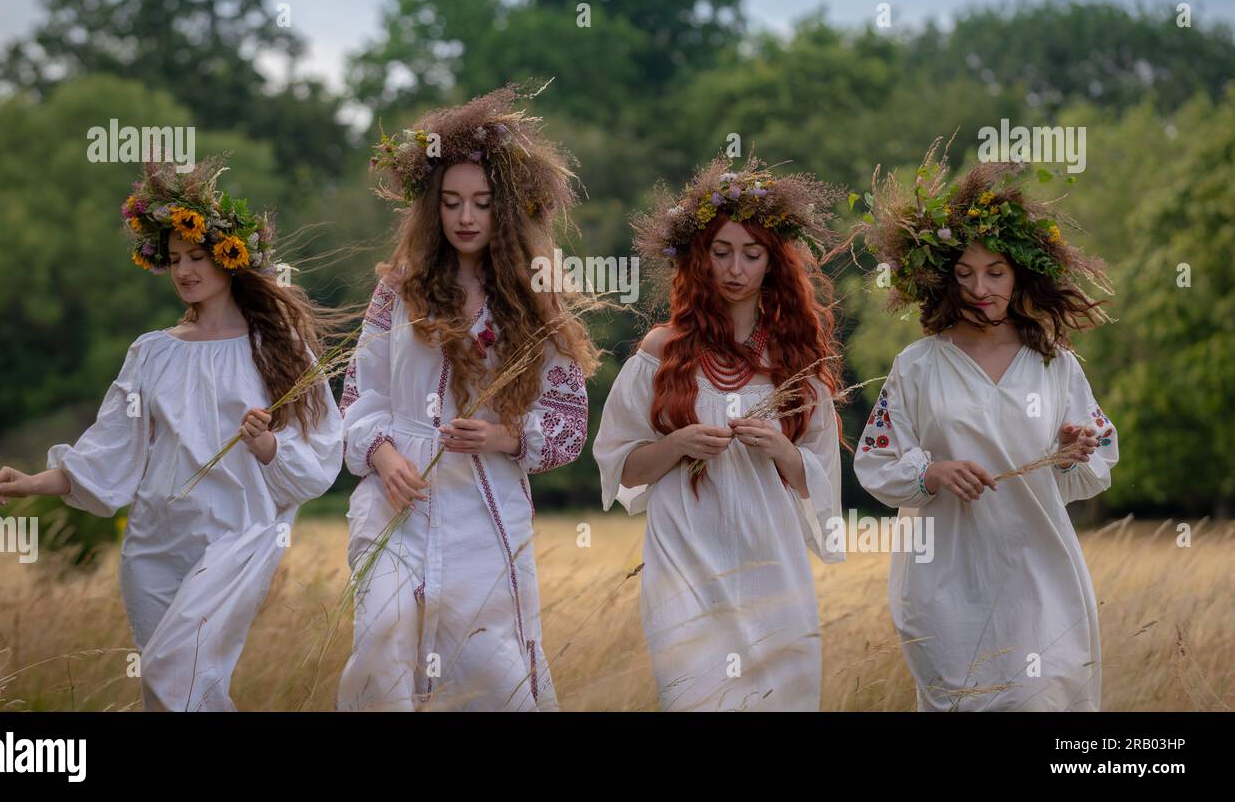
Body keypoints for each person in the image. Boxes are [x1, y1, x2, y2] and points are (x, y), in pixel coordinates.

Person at [0, 157, 343, 711]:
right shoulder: (151, 352)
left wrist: (267, 445)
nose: (184, 270)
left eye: (198, 256)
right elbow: (112, 448)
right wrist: (34, 481)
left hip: (234, 540)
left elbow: (323, 448)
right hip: (154, 546)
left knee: (177, 677)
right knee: (170, 690)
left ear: (231, 258)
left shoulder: (278, 348)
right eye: (175, 259)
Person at [338, 84, 600, 711]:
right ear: (432, 207)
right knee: (383, 634)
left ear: (503, 210)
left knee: (488, 667)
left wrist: (508, 436)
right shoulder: (396, 292)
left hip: (485, 504)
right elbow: (357, 393)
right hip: (396, 499)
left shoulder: (537, 300)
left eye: (481, 203)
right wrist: (380, 454)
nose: (465, 216)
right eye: (451, 201)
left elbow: (567, 421)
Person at [852, 142, 1119, 711]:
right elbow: (875, 461)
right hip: (947, 582)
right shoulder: (917, 364)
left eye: (995, 272)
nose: (980, 288)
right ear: (944, 281)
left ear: (1019, 275)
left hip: (1040, 572)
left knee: (1039, 698)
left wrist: (1074, 450)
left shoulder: (1056, 363)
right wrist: (932, 473)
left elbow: (1098, 453)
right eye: (966, 274)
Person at [593, 153, 846, 711]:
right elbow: (619, 462)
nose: (735, 268)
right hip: (684, 557)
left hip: (771, 561)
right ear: (700, 260)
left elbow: (819, 476)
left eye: (751, 255)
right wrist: (676, 445)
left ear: (771, 265)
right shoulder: (663, 349)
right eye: (721, 252)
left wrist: (783, 450)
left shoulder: (797, 361)